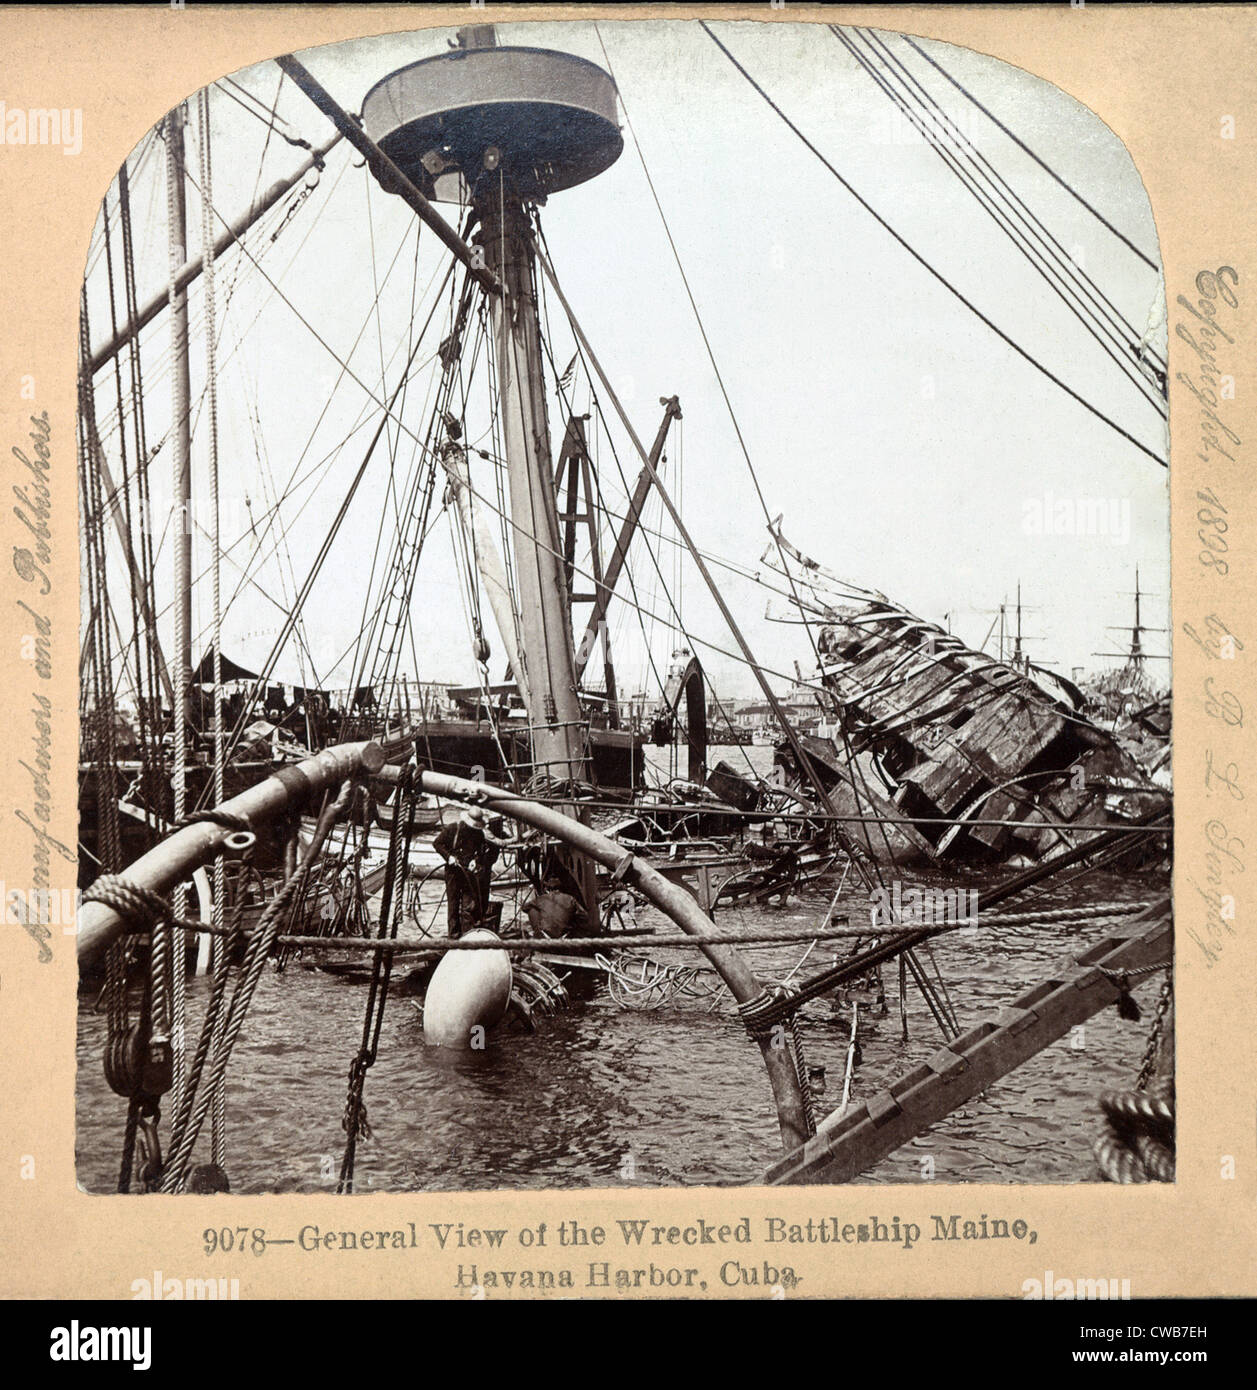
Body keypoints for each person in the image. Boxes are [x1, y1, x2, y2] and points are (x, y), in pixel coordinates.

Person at [433, 807, 500, 937]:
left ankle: (467, 935)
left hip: (468, 873)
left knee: (468, 905)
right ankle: (453, 935)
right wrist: (449, 857)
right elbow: (437, 844)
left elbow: (480, 851)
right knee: (453, 904)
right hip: (453, 872)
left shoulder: (478, 833)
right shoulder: (452, 829)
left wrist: (476, 860)